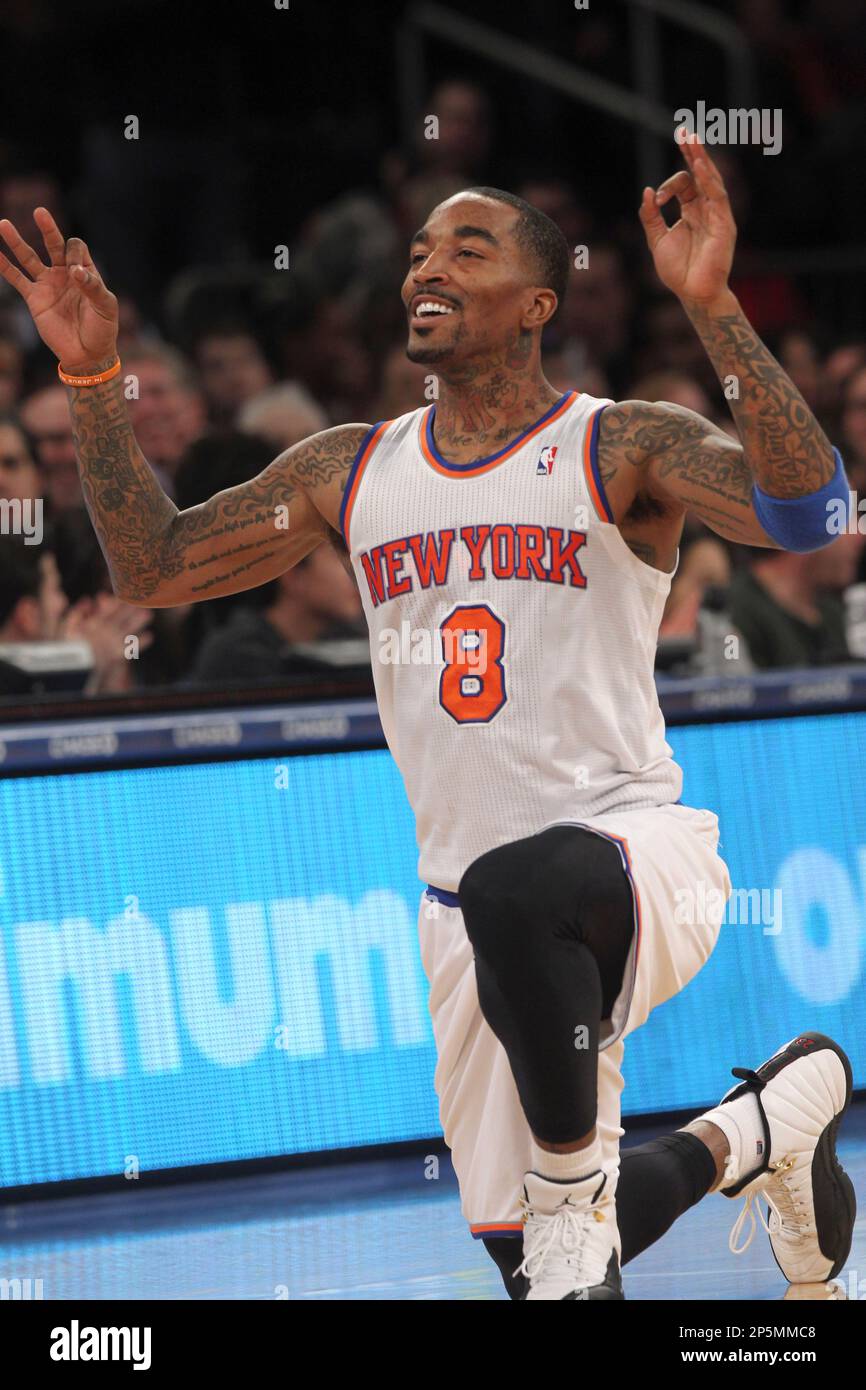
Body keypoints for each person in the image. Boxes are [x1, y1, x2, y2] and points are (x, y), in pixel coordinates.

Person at [0, 131, 856, 1301]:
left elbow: (811, 516)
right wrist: (96, 378)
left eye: (466, 245)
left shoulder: (616, 447)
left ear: (535, 303)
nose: (425, 267)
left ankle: (567, 1199)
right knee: (550, 1279)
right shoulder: (347, 470)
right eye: (416, 250)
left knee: (523, 890)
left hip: (635, 857)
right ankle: (757, 1127)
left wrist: (707, 304)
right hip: (463, 915)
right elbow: (154, 567)